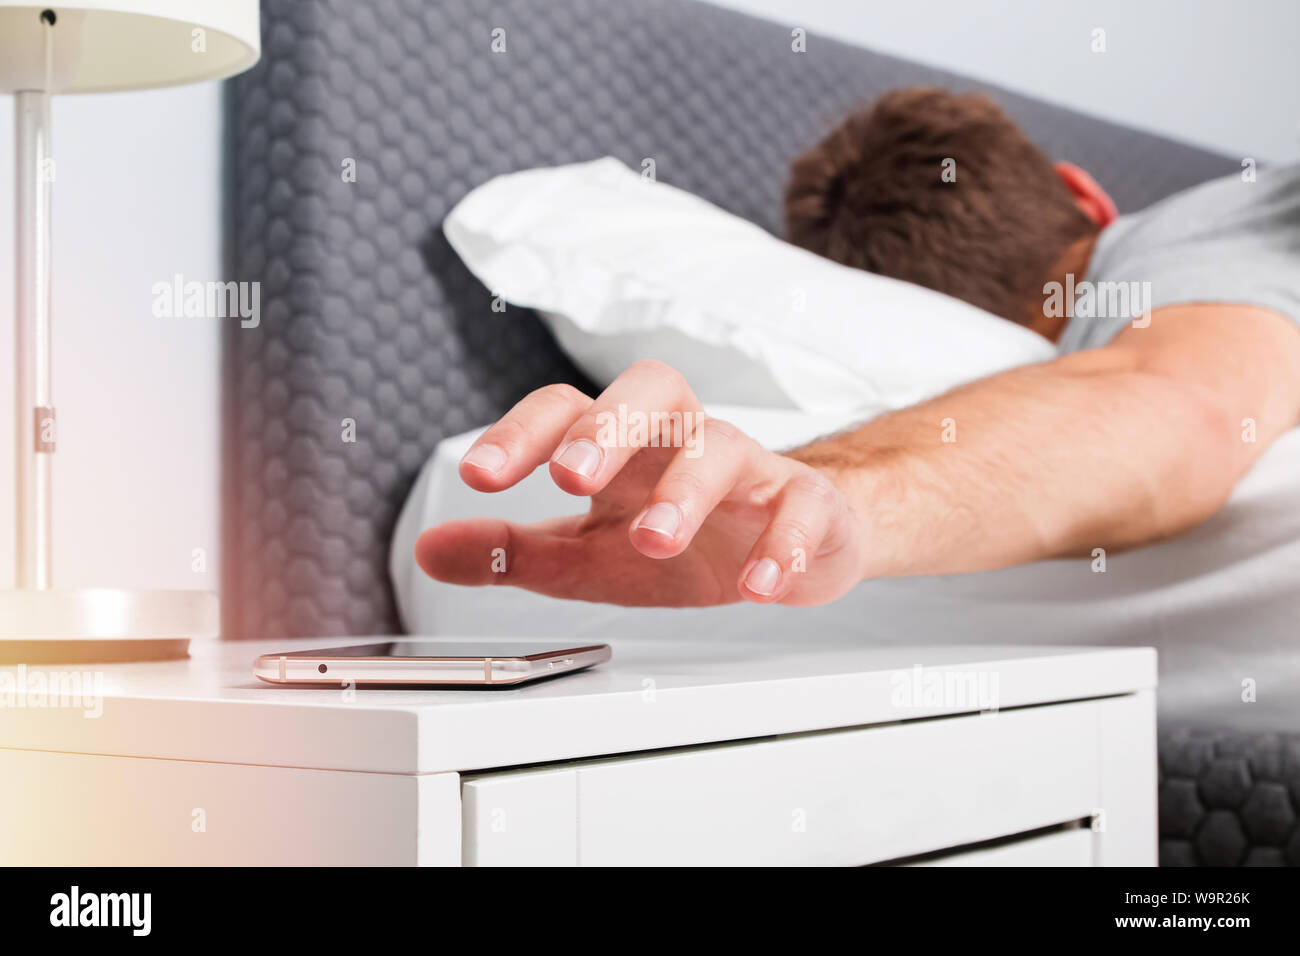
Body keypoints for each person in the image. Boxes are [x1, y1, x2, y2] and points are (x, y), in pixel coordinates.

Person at [415, 88, 1300, 608]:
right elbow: (1166, 401)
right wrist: (800, 506)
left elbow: (1176, 402)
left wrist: (834, 487)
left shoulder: (1182, 251)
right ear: (1085, 193)